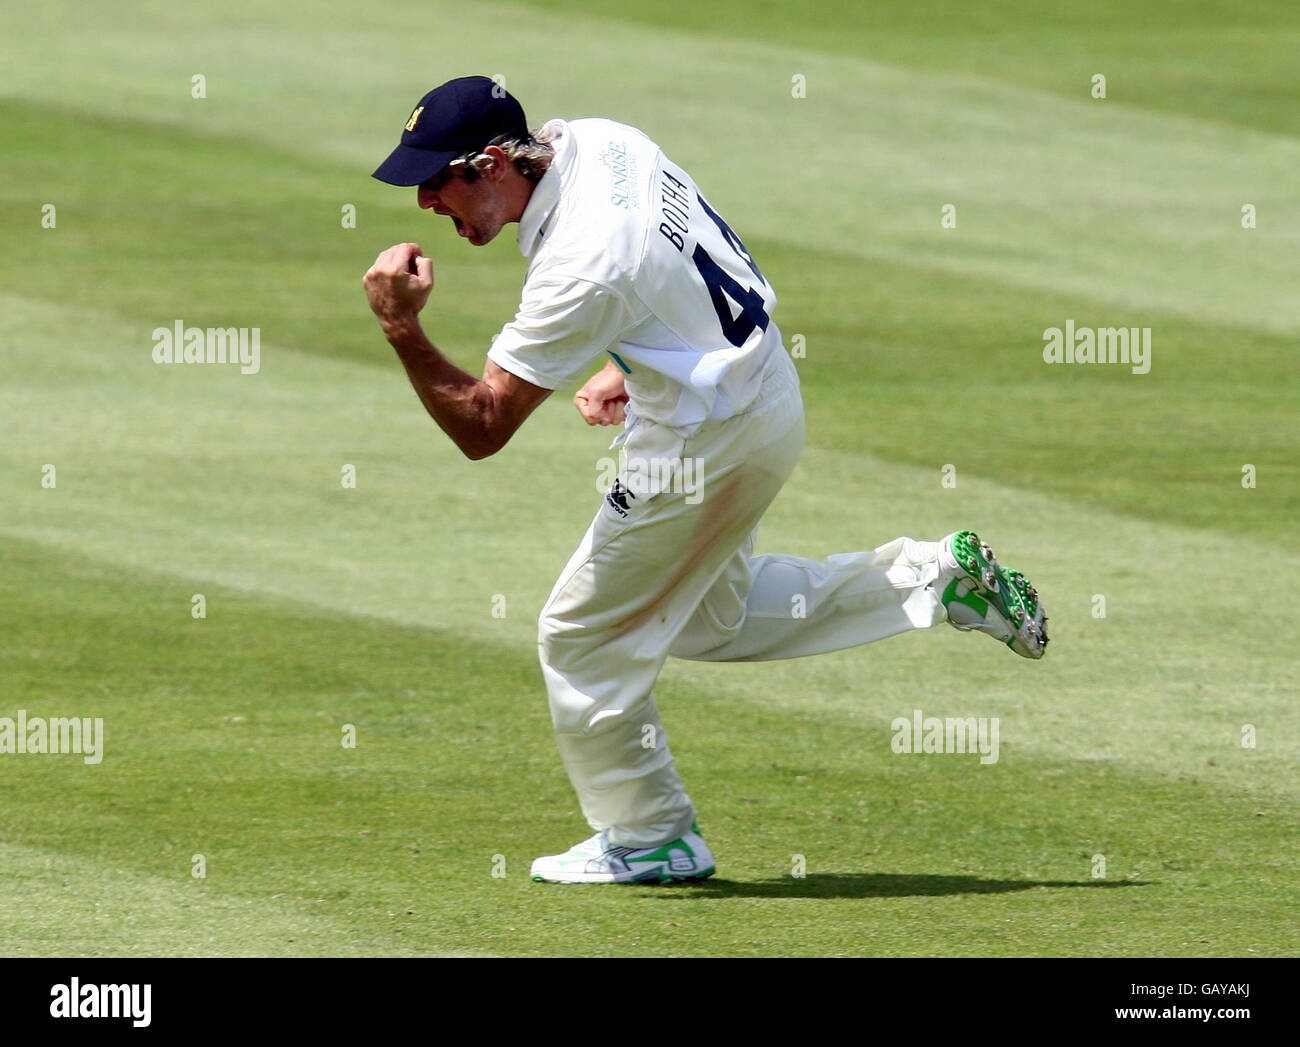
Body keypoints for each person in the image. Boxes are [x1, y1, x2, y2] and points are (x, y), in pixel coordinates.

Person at [363, 76, 1048, 885]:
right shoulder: (600, 139)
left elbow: (483, 425)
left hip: (700, 447)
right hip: (763, 392)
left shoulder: (580, 263)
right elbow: (670, 266)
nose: (425, 204)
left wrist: (400, 326)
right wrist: (638, 361)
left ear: (487, 165)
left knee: (580, 636)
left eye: (435, 180)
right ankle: (937, 578)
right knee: (704, 619)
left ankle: (652, 836)